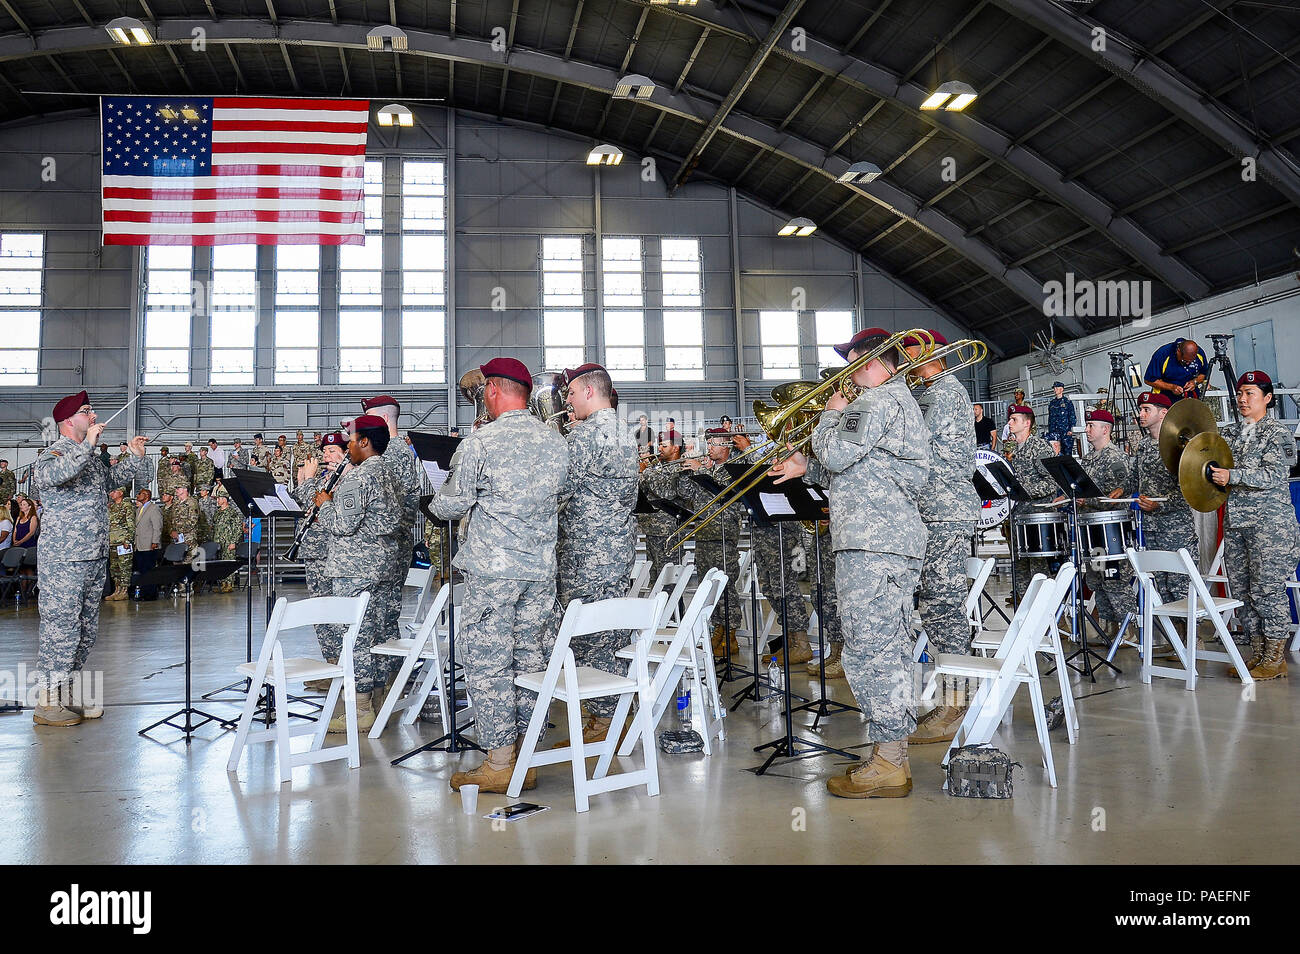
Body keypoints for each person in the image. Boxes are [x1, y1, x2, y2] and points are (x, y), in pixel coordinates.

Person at [770, 328, 929, 798]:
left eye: (856, 357)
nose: (851, 366)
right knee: (886, 646)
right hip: (886, 540)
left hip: (873, 543)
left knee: (871, 649)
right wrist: (807, 469)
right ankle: (890, 753)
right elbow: (861, 465)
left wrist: (829, 417)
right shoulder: (894, 402)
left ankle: (889, 762)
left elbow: (839, 451)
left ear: (878, 359)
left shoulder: (874, 402)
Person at [431, 357, 568, 793]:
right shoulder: (555, 444)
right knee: (530, 661)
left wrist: (432, 500)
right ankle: (525, 758)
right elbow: (561, 499)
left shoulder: (480, 443)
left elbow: (451, 506)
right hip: (541, 572)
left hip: (494, 572)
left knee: (489, 664)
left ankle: (500, 762)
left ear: (492, 390)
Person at [30, 391, 151, 726]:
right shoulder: (53, 454)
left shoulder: (91, 458)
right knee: (61, 629)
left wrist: (135, 457)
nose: (95, 416)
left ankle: (65, 694)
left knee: (85, 630)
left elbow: (110, 480)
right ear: (69, 421)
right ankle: (46, 701)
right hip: (63, 560)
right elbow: (53, 477)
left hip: (93, 556)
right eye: (87, 412)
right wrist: (88, 447)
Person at [545, 363, 640, 746]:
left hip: (586, 551)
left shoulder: (584, 437)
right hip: (615, 546)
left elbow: (558, 490)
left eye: (570, 394)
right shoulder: (624, 432)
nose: (566, 401)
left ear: (588, 392)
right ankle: (607, 721)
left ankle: (605, 727)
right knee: (608, 633)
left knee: (589, 638)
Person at [902, 331, 980, 744]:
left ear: (929, 353)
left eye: (908, 352)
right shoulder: (927, 393)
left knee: (944, 607)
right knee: (935, 606)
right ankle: (953, 695)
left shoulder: (944, 392)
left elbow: (916, 446)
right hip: (932, 511)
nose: (903, 359)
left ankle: (959, 702)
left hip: (945, 511)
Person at [1209, 370, 1300, 680]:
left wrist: (1233, 476)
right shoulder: (1232, 433)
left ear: (1267, 398)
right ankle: (1258, 652)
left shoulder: (1278, 433)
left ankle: (1275, 656)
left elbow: (1275, 476)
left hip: (1269, 525)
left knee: (1268, 590)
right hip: (1237, 523)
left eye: (1250, 393)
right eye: (1240, 393)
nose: (1242, 399)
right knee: (1244, 591)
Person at [314, 415, 401, 733]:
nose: (348, 445)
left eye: (351, 439)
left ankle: (360, 707)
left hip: (355, 568)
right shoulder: (388, 473)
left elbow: (342, 524)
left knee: (355, 639)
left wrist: (324, 505)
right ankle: (377, 700)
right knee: (375, 635)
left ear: (365, 442)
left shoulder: (358, 478)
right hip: (380, 565)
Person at [361, 394, 422, 698]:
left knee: (382, 613)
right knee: (383, 612)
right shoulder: (395, 452)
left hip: (389, 544)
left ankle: (387, 681)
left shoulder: (392, 453)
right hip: (391, 542)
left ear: (383, 421)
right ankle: (388, 679)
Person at [1126, 391, 1198, 646]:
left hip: (1175, 524)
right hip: (1150, 525)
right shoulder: (1144, 445)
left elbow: (1191, 488)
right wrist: (1122, 492)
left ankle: (1192, 639)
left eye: (1146, 409)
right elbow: (1134, 479)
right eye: (1141, 409)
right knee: (1161, 585)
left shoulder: (1181, 444)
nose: (1141, 414)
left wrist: (1160, 503)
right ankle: (1175, 641)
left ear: (1163, 413)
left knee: (1180, 583)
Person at [673, 428, 744, 658]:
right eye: (709, 443)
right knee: (710, 589)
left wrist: (703, 470)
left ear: (726, 446)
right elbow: (686, 493)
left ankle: (731, 634)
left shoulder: (733, 468)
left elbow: (726, 491)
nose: (710, 447)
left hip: (724, 534)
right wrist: (686, 470)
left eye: (713, 443)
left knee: (726, 589)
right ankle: (717, 630)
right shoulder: (708, 469)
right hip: (704, 534)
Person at [1071, 409, 1135, 640]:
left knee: (1114, 578)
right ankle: (1108, 628)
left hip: (1112, 530)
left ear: (1105, 429)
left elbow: (1116, 496)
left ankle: (1128, 628)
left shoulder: (1116, 458)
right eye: (1087, 425)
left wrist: (1086, 500)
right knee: (1097, 579)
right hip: (1092, 528)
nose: (1087, 430)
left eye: (1091, 426)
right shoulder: (1088, 459)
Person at [293, 432, 348, 667]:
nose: (327, 456)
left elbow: (315, 501)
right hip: (312, 551)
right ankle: (330, 662)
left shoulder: (345, 479)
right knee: (319, 611)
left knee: (335, 611)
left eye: (333, 451)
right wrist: (302, 482)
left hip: (331, 552)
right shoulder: (322, 478)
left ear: (345, 454)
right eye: (324, 451)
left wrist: (306, 481)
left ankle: (344, 665)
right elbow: (300, 501)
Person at [1004, 403, 1058, 605]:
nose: (1009, 423)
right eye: (1010, 419)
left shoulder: (1039, 447)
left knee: (1038, 571)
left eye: (1014, 420)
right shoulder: (1013, 450)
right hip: (1017, 519)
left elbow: (1052, 483)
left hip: (1036, 519)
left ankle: (1047, 616)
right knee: (1020, 570)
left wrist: (1023, 492)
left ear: (1027, 423)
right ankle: (1025, 616)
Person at [640, 434, 682, 587]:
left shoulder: (680, 467)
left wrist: (647, 471)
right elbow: (643, 491)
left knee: (668, 583)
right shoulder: (658, 469)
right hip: (652, 529)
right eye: (659, 445)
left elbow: (665, 494)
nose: (659, 449)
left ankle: (673, 612)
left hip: (668, 532)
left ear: (675, 448)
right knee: (654, 582)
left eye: (664, 446)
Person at [1145, 337, 1208, 402]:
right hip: (1165, 399)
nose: (1188, 364)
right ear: (1178, 351)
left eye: (1191, 361)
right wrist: (1171, 387)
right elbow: (1149, 380)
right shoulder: (1162, 354)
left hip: (1191, 397)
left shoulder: (1199, 352)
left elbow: (1204, 374)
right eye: (1185, 361)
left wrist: (1195, 382)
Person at [131, 488, 163, 601]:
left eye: (140, 494)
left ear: (147, 495)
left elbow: (157, 527)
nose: (138, 495)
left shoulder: (154, 509)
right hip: (140, 544)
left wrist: (155, 541)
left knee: (149, 570)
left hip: (149, 545)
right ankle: (143, 592)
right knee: (142, 570)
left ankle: (150, 594)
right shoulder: (139, 509)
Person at [105, 486, 135, 602]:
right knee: (114, 568)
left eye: (114, 491)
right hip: (112, 541)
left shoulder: (127, 506)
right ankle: (117, 589)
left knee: (124, 567)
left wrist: (128, 540)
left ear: (121, 493)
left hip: (123, 542)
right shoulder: (111, 507)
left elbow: (131, 524)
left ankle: (124, 591)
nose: (111, 494)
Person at [1044, 381, 1077, 456]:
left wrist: (1071, 429)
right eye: (1054, 388)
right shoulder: (1052, 403)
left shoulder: (1067, 402)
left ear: (1062, 389)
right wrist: (1051, 431)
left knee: (1067, 453)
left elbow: (1072, 415)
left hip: (1065, 431)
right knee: (1057, 453)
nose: (1055, 390)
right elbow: (1050, 418)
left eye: (1057, 388)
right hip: (1055, 432)